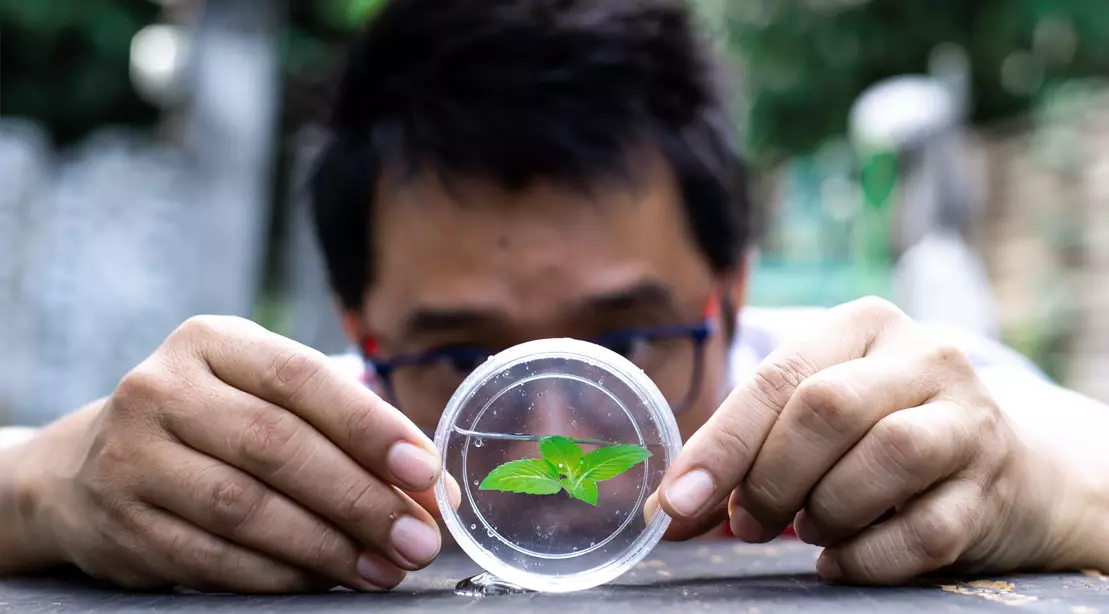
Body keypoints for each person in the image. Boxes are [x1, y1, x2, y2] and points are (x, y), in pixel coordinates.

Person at [2, 0, 1108, 594]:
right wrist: (50, 482)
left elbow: (1070, 452)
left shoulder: (850, 411)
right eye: (460, 355)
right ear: (360, 330)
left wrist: (1043, 487)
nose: (547, 419)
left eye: (626, 335)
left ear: (729, 290)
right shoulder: (317, 457)